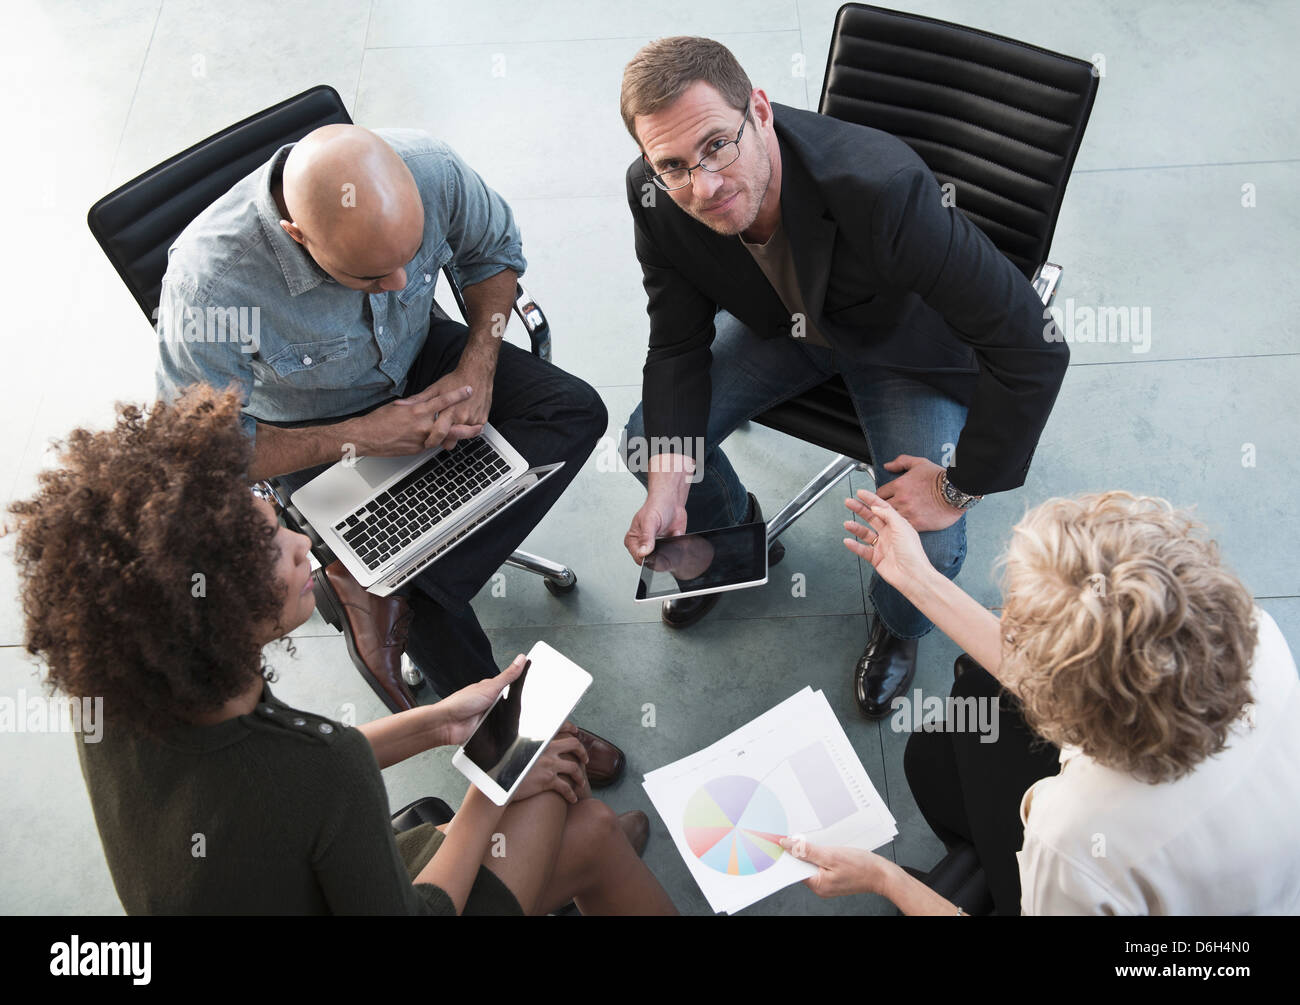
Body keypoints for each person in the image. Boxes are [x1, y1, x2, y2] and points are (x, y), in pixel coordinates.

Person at [6, 387, 676, 916]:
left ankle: (586, 854)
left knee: (576, 819)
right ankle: (590, 854)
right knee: (577, 811)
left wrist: (443, 721)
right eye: (270, 549)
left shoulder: (127, 690)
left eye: (269, 508)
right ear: (220, 610)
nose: (303, 543)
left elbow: (283, 775)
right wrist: (490, 787)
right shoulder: (325, 770)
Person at [155, 122, 625, 783]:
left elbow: (493, 254)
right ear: (299, 238)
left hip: (424, 359)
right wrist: (365, 435)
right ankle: (520, 744)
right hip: (313, 436)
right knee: (431, 604)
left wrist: (478, 364)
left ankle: (383, 590)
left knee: (575, 411)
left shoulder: (431, 168)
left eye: (410, 258)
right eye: (374, 275)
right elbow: (203, 456)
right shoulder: (211, 286)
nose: (404, 278)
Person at [616, 37, 1068, 719]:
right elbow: (677, 341)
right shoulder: (655, 194)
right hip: (786, 327)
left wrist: (958, 484)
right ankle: (733, 529)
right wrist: (673, 480)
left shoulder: (883, 188)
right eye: (673, 165)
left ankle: (899, 621)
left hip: (899, 345)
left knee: (933, 538)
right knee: (652, 442)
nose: (701, 186)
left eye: (717, 146)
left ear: (760, 111)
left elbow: (1035, 346)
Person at [780, 488, 1300, 915]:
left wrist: (883, 877)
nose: (1004, 624)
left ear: (1070, 707)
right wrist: (916, 576)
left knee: (957, 728)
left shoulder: (1075, 836)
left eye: (1018, 629)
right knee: (975, 696)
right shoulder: (1253, 631)